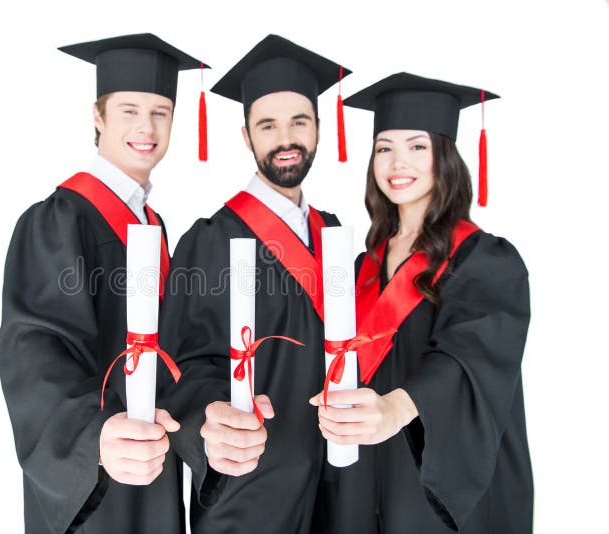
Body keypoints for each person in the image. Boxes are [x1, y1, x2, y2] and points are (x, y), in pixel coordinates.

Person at [0, 34, 206, 534]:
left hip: (152, 462)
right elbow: (35, 350)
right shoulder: (59, 219)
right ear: (98, 116)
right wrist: (95, 434)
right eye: (129, 110)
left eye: (160, 112)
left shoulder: (152, 225)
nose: (146, 127)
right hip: (96, 471)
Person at [310, 72, 533, 533]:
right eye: (384, 147)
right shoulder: (358, 267)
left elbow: (469, 353)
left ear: (444, 157)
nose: (398, 162)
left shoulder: (484, 259)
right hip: (358, 480)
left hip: (433, 489)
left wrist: (397, 408)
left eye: (417, 146)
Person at [159, 35, 350, 534]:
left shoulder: (333, 234)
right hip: (248, 495)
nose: (285, 138)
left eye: (299, 122)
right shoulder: (210, 240)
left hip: (336, 489)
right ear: (246, 136)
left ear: (319, 130)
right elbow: (181, 368)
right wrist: (211, 425)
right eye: (268, 125)